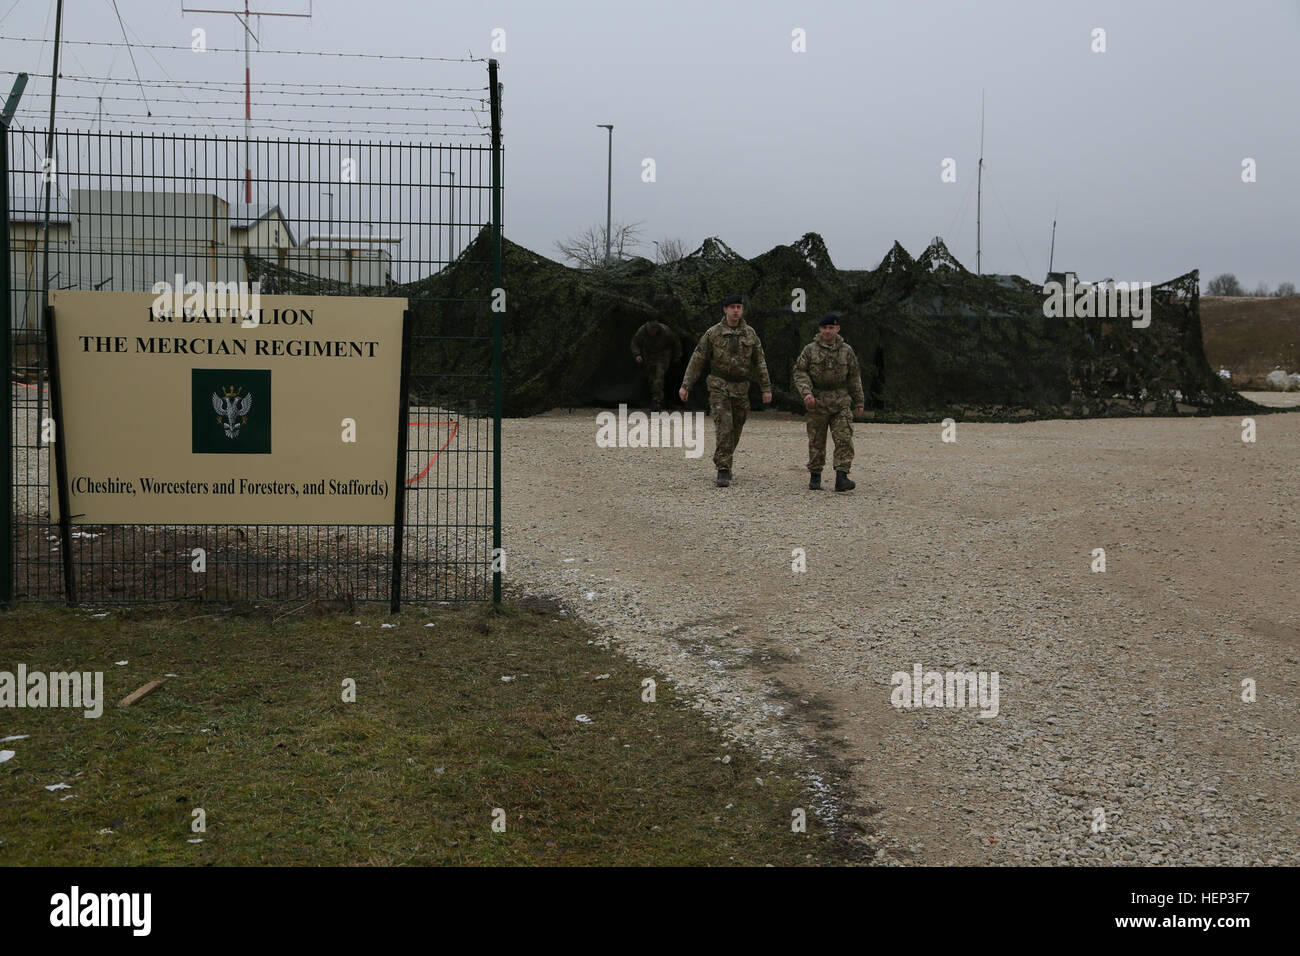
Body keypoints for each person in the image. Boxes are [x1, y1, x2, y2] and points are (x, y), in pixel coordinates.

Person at [679, 294, 771, 487]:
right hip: (719, 385)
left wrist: (766, 388)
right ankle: (722, 468)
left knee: (736, 427)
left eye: (739, 307)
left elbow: (760, 362)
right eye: (732, 307)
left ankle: (725, 460)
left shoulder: (750, 334)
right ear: (725, 310)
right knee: (724, 427)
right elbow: (697, 360)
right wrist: (686, 385)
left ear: (742, 310)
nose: (736, 310)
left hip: (741, 387)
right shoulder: (713, 333)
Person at [792, 313, 865, 492]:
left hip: (841, 401)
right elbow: (800, 372)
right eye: (824, 328)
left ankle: (842, 477)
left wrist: (859, 402)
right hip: (818, 401)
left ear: (837, 329)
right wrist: (806, 393)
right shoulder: (809, 350)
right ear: (820, 329)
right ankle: (815, 476)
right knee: (816, 440)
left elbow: (854, 376)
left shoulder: (847, 351)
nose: (827, 331)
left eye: (831, 328)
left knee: (844, 438)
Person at [630, 320, 681, 410]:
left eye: (653, 331)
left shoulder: (666, 331)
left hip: (662, 355)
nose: (651, 333)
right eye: (650, 332)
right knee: (651, 379)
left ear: (657, 329)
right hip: (648, 355)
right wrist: (637, 354)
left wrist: (677, 355)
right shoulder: (642, 330)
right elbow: (635, 342)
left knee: (658, 377)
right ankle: (656, 398)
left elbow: (676, 342)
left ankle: (657, 402)